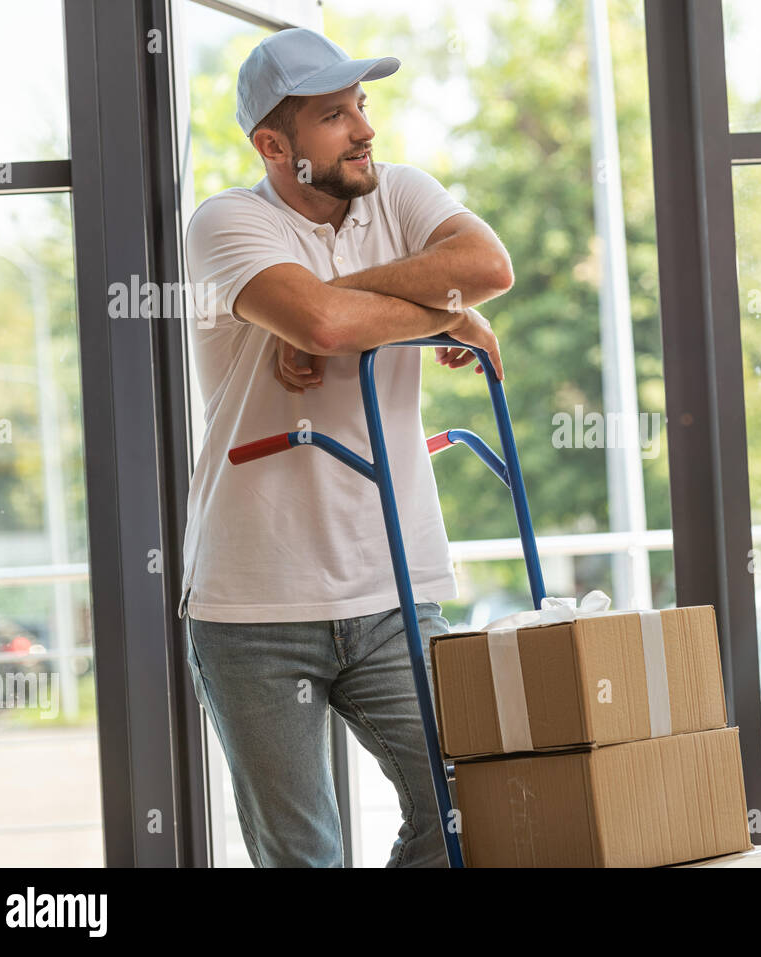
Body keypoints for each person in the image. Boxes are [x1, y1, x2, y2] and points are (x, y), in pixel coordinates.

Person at [177, 27, 513, 867]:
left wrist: (415, 301)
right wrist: (442, 305)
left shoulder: (400, 194)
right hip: (253, 605)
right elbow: (325, 325)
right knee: (303, 857)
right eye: (333, 115)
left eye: (361, 105)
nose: (363, 128)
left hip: (394, 586)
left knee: (467, 813)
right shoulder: (225, 222)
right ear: (274, 145)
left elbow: (486, 264)